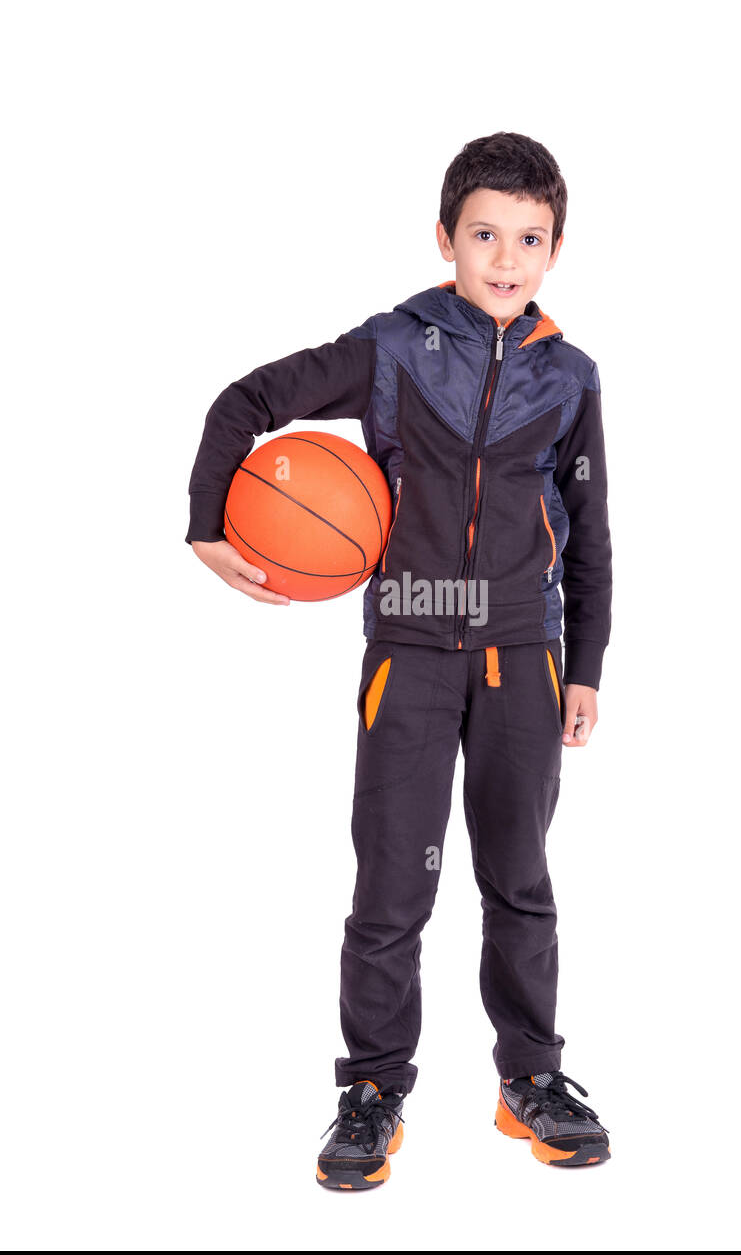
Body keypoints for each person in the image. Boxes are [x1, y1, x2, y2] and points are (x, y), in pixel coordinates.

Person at [184, 132, 613, 1190]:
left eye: (529, 238)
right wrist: (209, 520)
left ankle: (532, 1080)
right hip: (410, 653)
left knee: (520, 880)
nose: (505, 259)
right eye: (483, 235)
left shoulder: (570, 376)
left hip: (525, 656)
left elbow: (592, 537)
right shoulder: (395, 347)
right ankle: (372, 1089)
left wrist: (588, 664)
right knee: (391, 887)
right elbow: (246, 399)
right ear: (444, 238)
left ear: (555, 248)